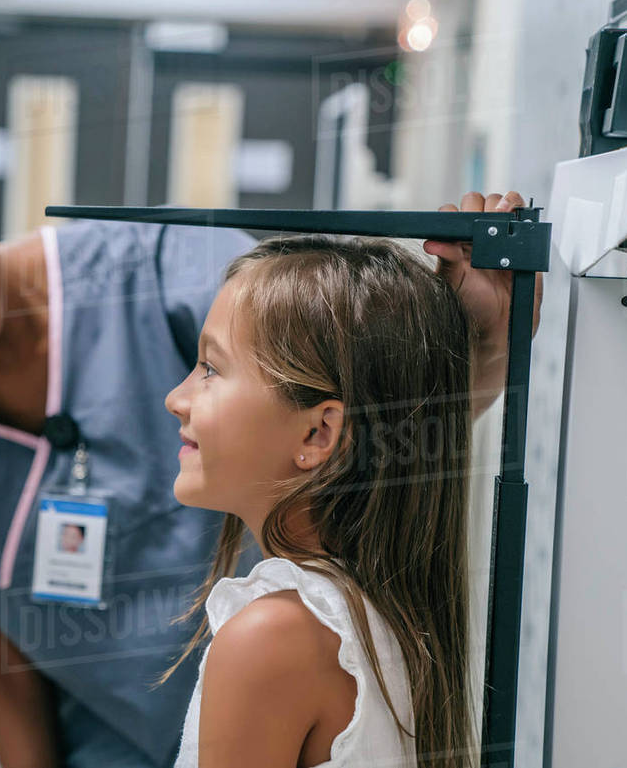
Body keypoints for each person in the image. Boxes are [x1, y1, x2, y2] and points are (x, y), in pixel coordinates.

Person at [0, 113, 539, 767]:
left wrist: (483, 348)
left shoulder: (164, 268)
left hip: (298, 717)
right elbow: (5, 667)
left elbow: (356, 432)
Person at [163, 235, 474, 767]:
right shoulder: (384, 612)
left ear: (317, 435)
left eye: (211, 369)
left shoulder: (271, 640)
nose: (177, 399)